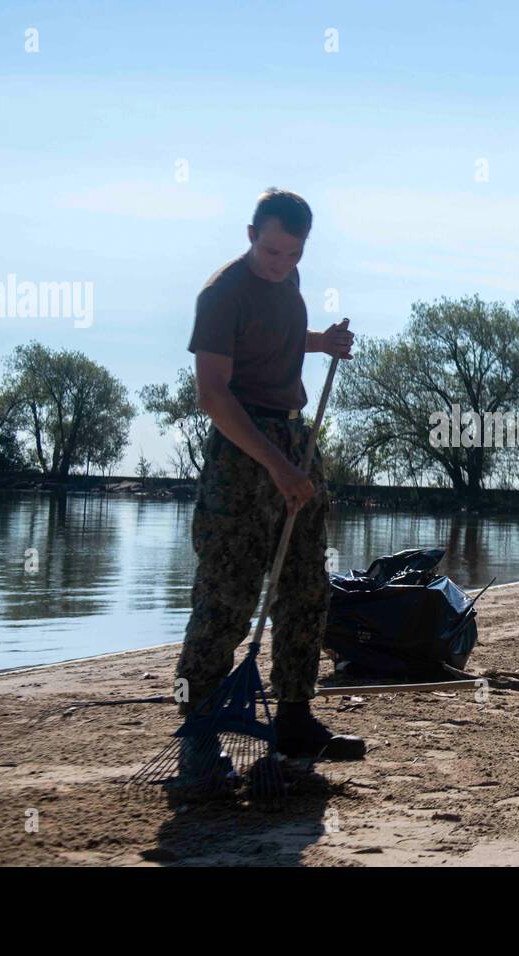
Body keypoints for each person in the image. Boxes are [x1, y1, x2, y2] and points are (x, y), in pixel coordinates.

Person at [175, 187, 364, 766]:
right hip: (241, 449)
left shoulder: (291, 283)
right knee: (227, 594)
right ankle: (199, 721)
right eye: (273, 250)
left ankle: (296, 717)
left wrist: (320, 344)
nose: (282, 264)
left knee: (306, 587)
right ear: (250, 233)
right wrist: (275, 465)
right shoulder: (222, 294)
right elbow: (212, 394)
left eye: (293, 254)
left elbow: (276, 342)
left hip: (294, 438)